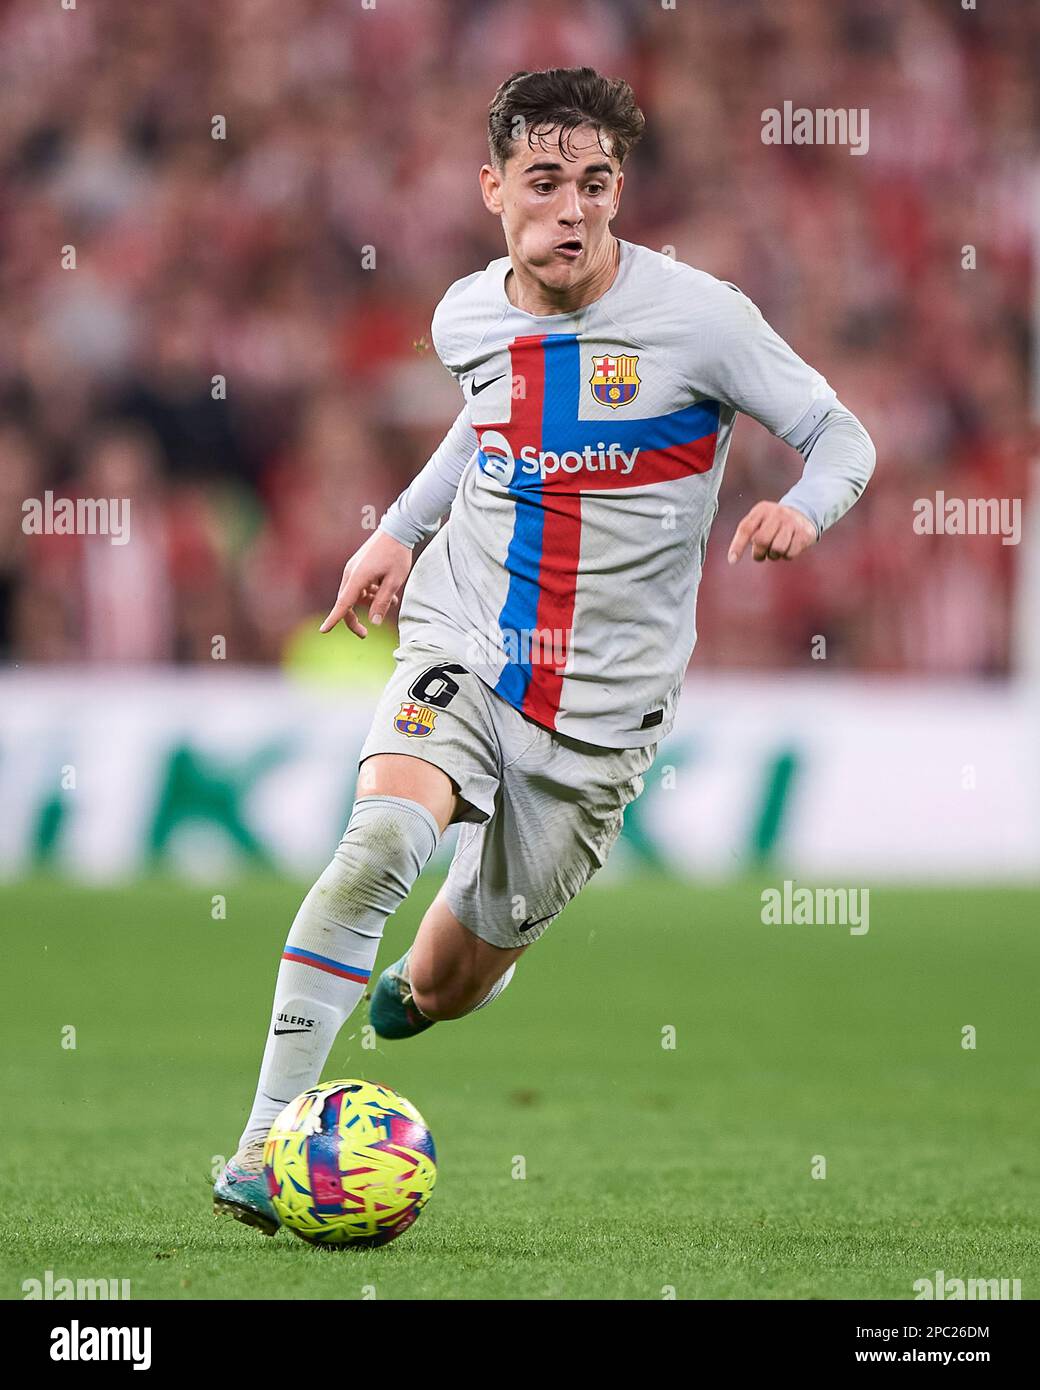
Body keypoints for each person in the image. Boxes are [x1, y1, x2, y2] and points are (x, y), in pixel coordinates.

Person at [214, 65, 875, 1234]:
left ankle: (428, 980)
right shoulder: (465, 314)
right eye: (544, 182)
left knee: (445, 984)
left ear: (619, 192)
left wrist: (802, 510)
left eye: (595, 184)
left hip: (601, 714)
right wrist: (398, 532)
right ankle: (260, 1144)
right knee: (376, 844)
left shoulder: (700, 320)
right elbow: (487, 418)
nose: (570, 209)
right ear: (492, 188)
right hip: (468, 637)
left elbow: (838, 431)